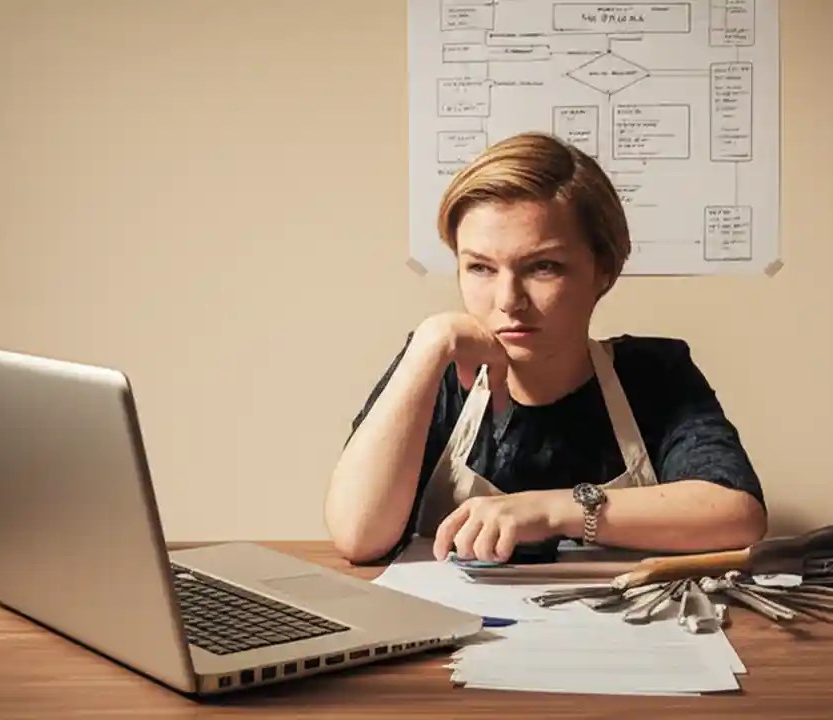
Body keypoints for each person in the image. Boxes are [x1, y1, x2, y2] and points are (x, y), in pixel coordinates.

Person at [324, 132, 767, 565]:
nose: (507, 301)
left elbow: (736, 515)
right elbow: (359, 535)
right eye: (480, 267)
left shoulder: (653, 374)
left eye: (542, 267)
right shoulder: (437, 370)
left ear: (604, 270)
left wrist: (550, 511)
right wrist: (430, 341)